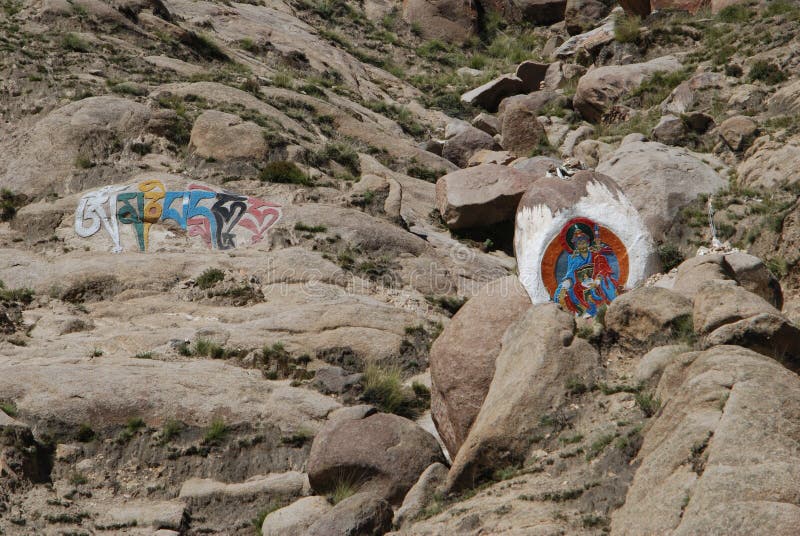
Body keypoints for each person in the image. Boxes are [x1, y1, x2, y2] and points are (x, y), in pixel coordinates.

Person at [552, 225, 618, 317]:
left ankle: (608, 306)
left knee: (604, 282)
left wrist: (597, 281)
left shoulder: (595, 255)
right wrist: (565, 285)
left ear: (587, 243)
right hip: (580, 284)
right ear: (575, 246)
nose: (582, 246)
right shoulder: (573, 259)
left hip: (596, 281)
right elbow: (570, 274)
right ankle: (582, 311)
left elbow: (602, 269)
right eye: (579, 244)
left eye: (583, 243)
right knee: (564, 291)